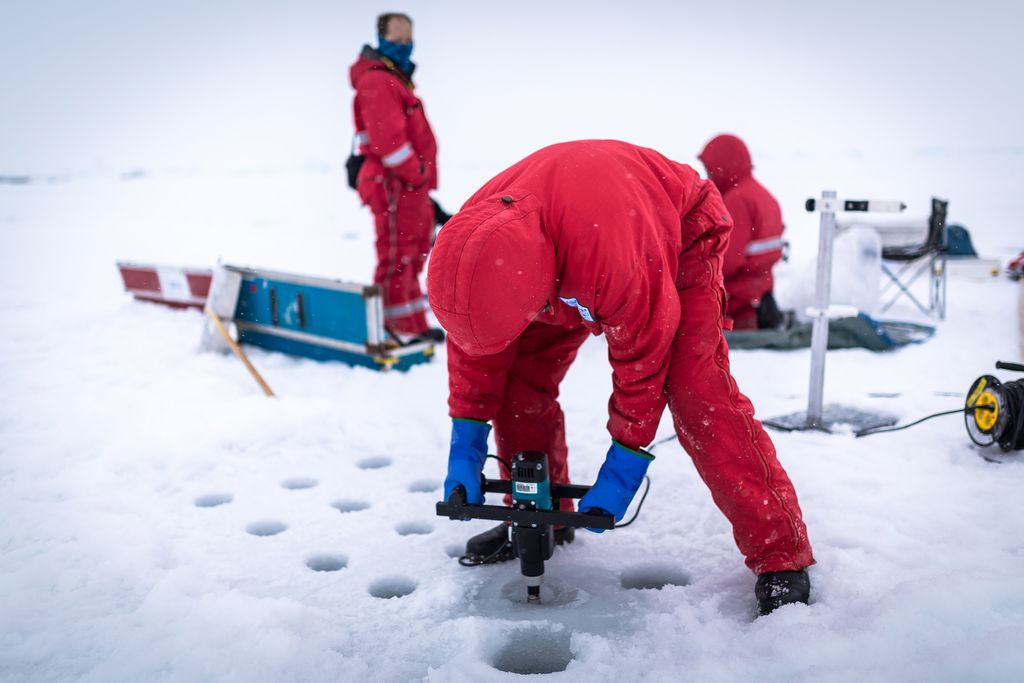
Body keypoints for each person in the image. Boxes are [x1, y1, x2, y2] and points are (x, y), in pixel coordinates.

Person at [428, 140, 815, 616]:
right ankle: (541, 517)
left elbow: (643, 358)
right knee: (517, 386)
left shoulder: (611, 263)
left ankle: (779, 552)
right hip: (563, 248)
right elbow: (474, 345)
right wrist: (466, 437)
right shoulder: (476, 250)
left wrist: (626, 457)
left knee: (698, 394)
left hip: (674, 233)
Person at [350, 12, 443, 343]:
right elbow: (388, 143)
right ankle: (398, 327)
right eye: (396, 40)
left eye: (408, 41)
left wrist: (423, 188)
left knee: (413, 252)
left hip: (409, 186)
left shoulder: (396, 80)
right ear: (381, 40)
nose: (404, 46)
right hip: (393, 185)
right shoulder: (378, 81)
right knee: (396, 255)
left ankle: (411, 322)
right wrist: (417, 175)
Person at [698, 134, 787, 330]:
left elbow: (727, 259)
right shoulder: (764, 195)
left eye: (710, 170)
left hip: (737, 308)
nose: (708, 176)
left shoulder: (736, 200)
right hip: (761, 300)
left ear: (725, 165)